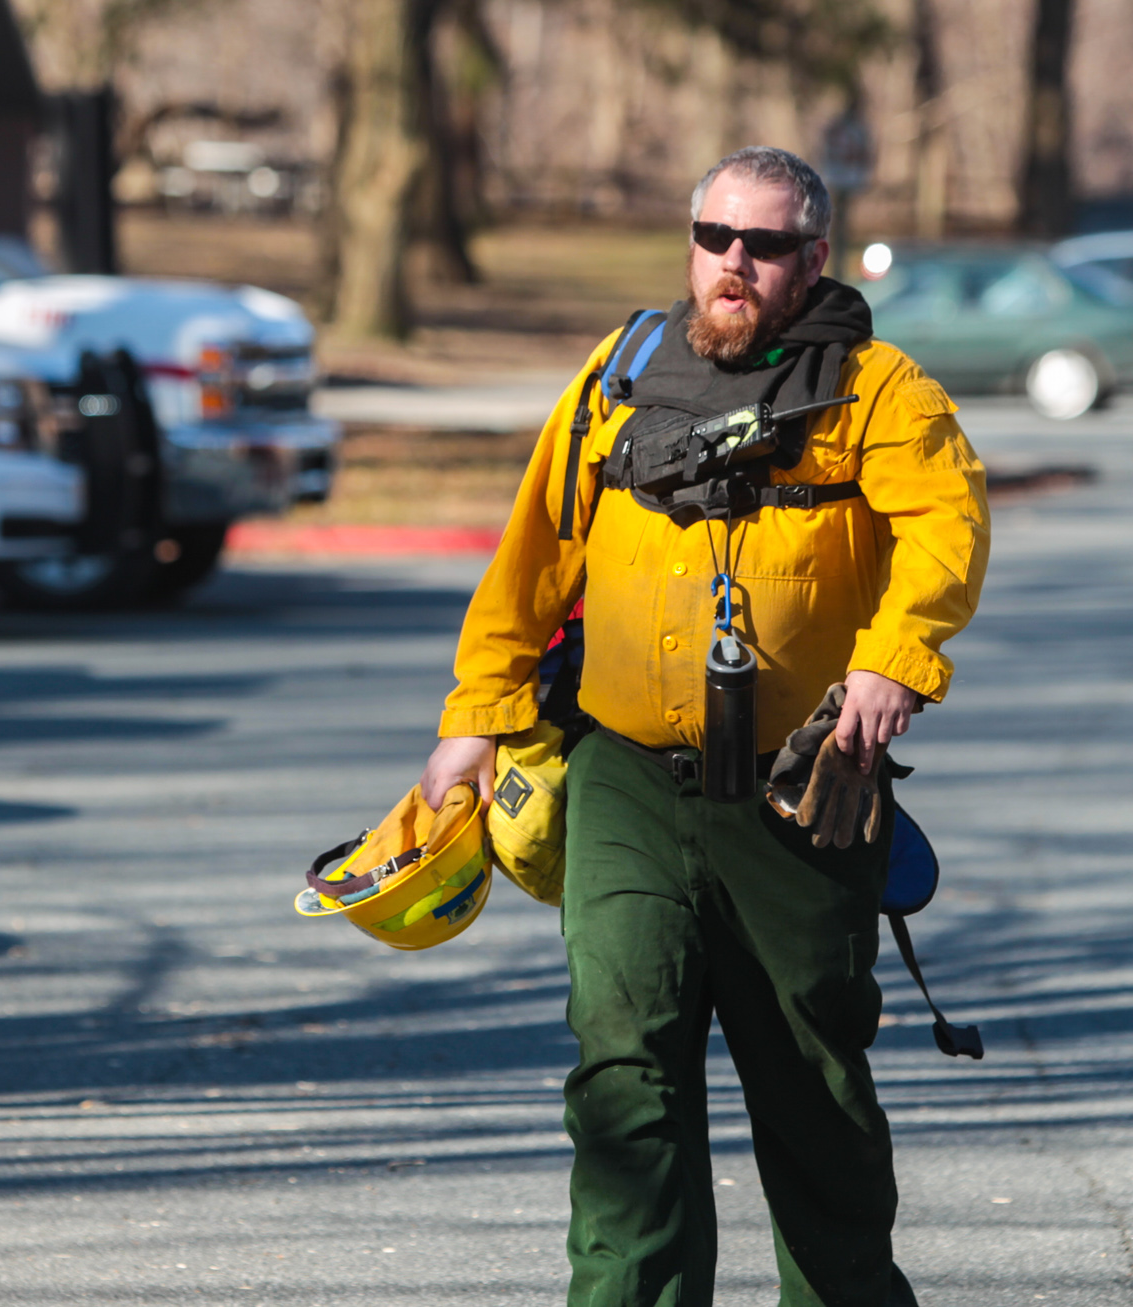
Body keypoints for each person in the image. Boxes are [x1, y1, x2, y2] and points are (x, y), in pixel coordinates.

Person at [420, 146, 989, 1306]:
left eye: (765, 244)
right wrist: (474, 716)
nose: (734, 263)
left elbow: (946, 530)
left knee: (809, 1084)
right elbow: (532, 553)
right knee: (621, 1065)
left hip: (795, 792)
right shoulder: (617, 371)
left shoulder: (880, 389)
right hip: (623, 776)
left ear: (811, 258)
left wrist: (893, 659)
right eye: (714, 238)